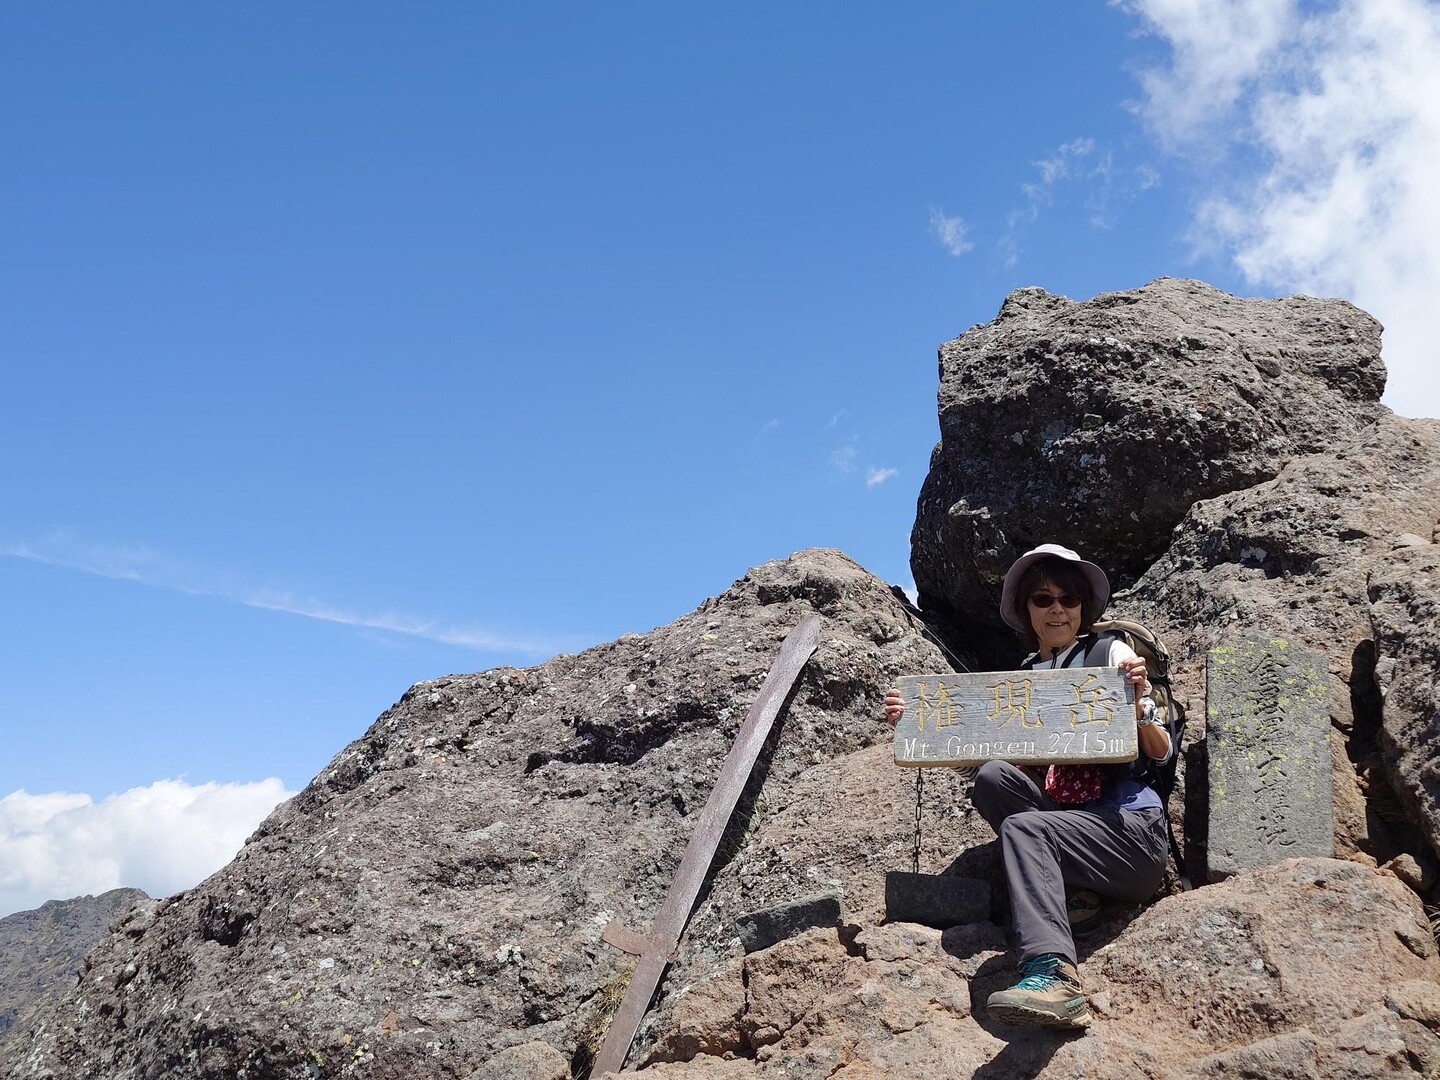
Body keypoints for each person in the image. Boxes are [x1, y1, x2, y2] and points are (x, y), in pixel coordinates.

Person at [884, 543, 1175, 1031]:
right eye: (1043, 599)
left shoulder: (1110, 653)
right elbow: (980, 765)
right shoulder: (1020, 681)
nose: (1057, 609)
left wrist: (1138, 704)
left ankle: (1054, 976)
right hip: (1068, 828)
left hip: (1127, 830)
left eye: (1068, 598)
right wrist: (918, 725)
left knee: (1025, 829)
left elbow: (1161, 751)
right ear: (1027, 610)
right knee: (994, 777)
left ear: (1083, 606)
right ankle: (1074, 895)